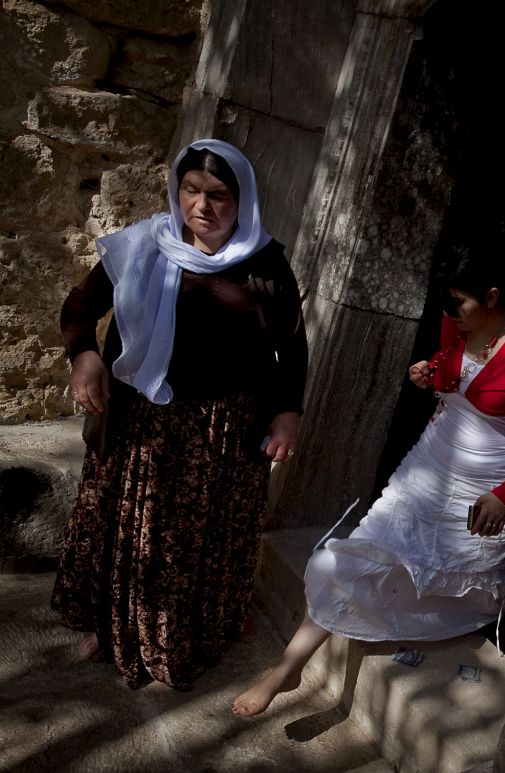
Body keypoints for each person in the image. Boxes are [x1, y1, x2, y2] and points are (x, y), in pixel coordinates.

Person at [232, 243, 505, 716]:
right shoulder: (457, 322)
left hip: (490, 484)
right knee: (356, 552)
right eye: (446, 303)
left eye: (459, 304)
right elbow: (451, 368)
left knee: (463, 593)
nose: (450, 313)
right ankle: (289, 667)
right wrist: (428, 371)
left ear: (491, 297)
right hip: (431, 463)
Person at [53, 138, 308, 690]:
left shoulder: (265, 263)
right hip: (141, 424)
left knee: (198, 537)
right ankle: (112, 624)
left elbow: (292, 350)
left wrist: (287, 412)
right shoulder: (143, 245)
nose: (202, 206)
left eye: (218, 194)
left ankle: (189, 632)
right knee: (133, 531)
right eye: (191, 190)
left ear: (242, 201)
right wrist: (87, 356)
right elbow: (79, 309)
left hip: (222, 432)